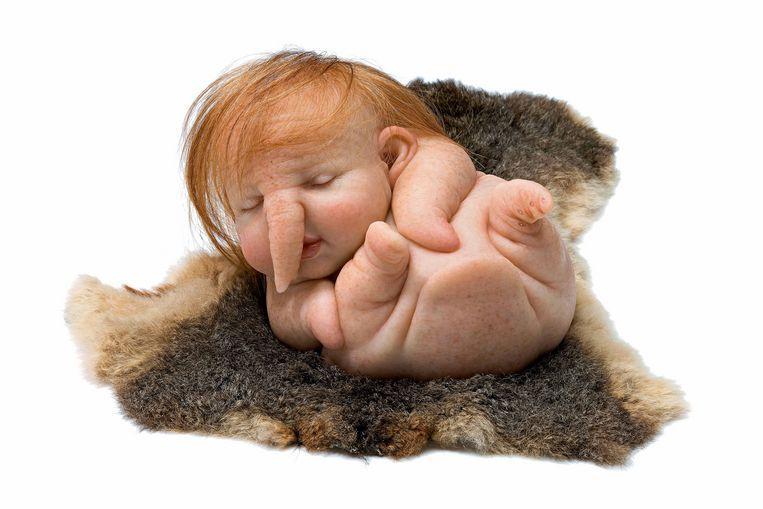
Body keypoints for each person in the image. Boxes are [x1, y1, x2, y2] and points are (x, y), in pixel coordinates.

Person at [183, 50, 576, 379]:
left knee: (496, 203)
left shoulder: (418, 161)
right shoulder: (291, 276)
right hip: (398, 341)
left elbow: (448, 159)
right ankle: (378, 278)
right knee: (351, 321)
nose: (281, 220)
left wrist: (421, 212)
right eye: (252, 205)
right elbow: (289, 319)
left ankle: (514, 224)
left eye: (319, 182)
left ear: (389, 156)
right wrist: (312, 313)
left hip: (535, 293)